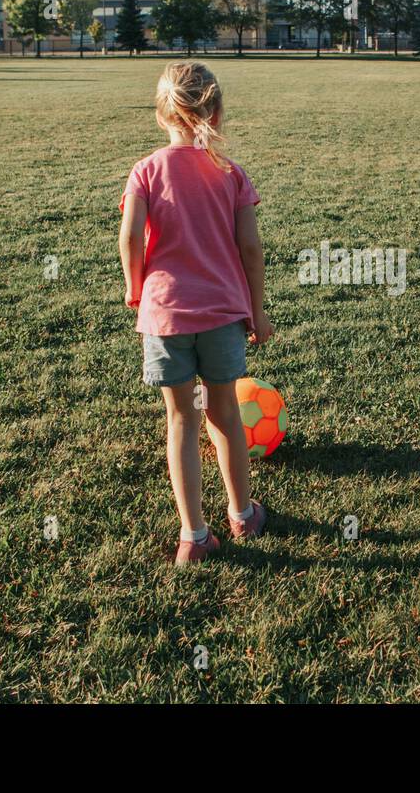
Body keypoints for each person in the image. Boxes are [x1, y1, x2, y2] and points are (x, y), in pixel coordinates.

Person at [118, 61, 274, 565]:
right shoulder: (231, 174)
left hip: (165, 317)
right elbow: (251, 250)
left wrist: (135, 288)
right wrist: (258, 311)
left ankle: (194, 535)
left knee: (181, 417)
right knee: (225, 413)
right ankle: (243, 515)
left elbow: (130, 239)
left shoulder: (145, 170)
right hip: (223, 315)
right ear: (218, 112)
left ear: (162, 114)